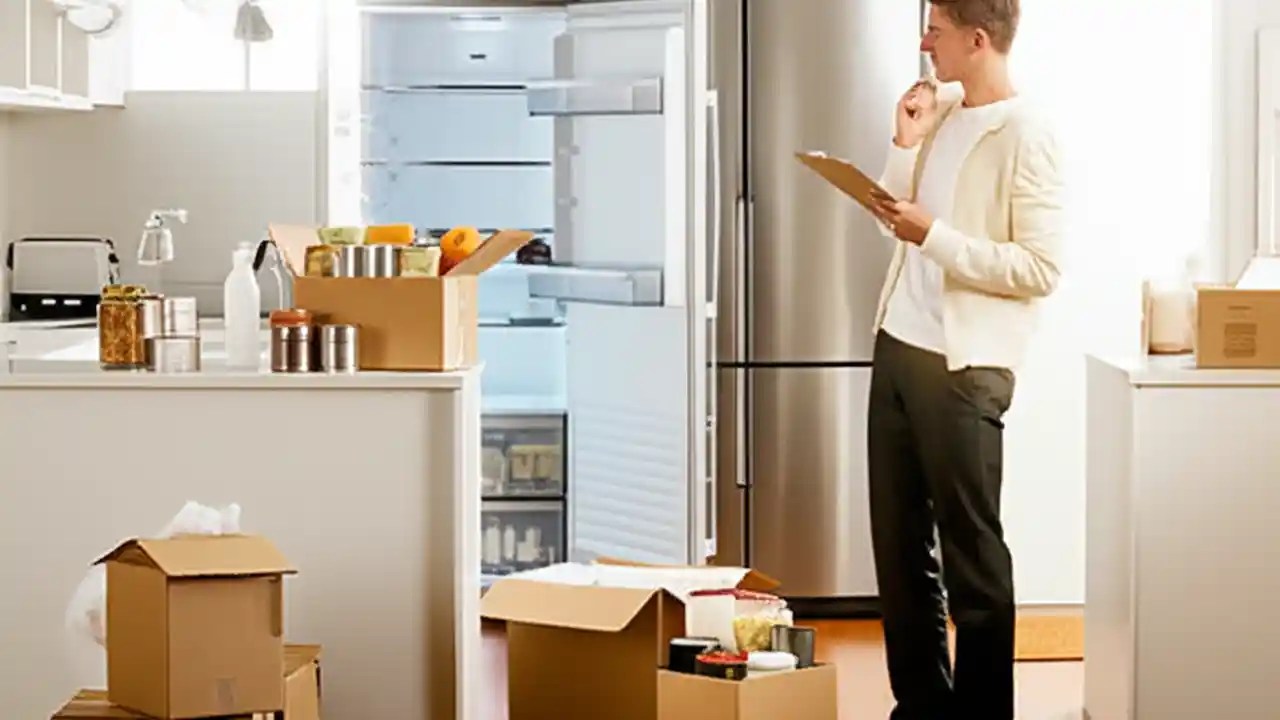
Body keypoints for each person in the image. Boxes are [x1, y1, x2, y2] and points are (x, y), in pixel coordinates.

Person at [865, 0, 1064, 718]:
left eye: (937, 31)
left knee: (972, 560)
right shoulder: (943, 111)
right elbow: (896, 217)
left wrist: (937, 237)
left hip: (963, 368)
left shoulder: (1027, 133)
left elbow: (1039, 267)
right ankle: (920, 706)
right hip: (898, 346)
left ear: (978, 40)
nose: (926, 43)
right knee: (899, 551)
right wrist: (904, 142)